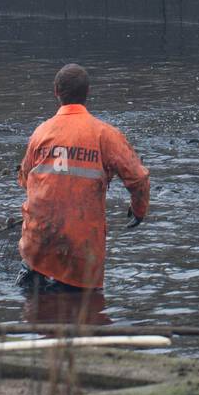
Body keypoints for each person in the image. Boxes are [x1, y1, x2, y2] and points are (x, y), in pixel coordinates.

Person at [16, 64, 149, 292]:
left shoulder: (41, 132)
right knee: (84, 315)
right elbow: (138, 179)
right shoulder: (105, 134)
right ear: (88, 93)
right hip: (81, 249)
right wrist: (139, 210)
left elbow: (24, 180)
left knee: (37, 316)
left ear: (56, 92)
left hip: (38, 244)